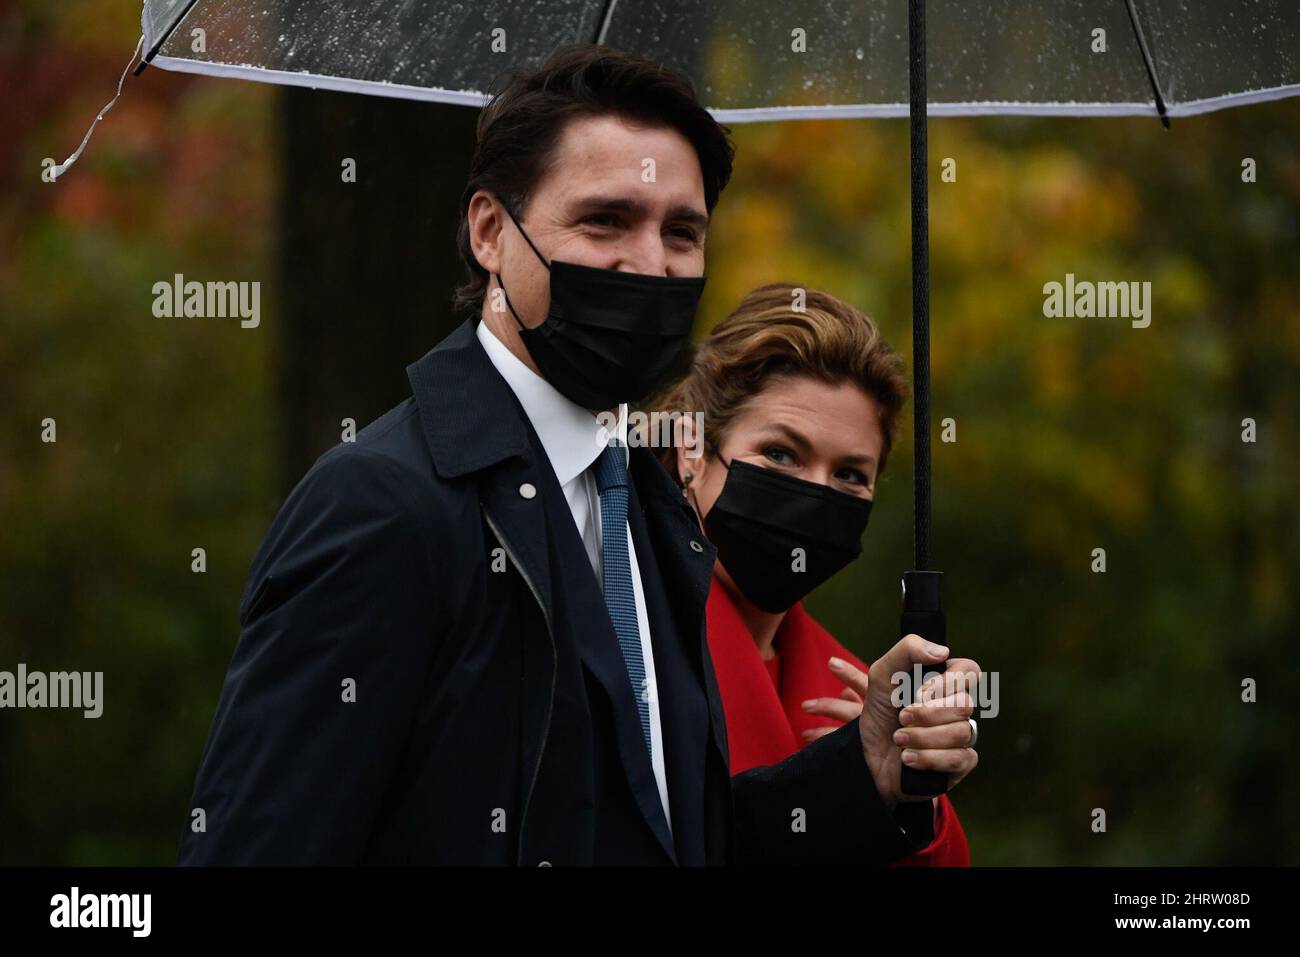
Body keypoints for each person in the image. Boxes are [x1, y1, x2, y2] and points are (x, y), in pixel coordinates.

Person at [176, 44, 980, 866]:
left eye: (682, 231)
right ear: (491, 231)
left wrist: (862, 770)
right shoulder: (386, 502)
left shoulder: (654, 507)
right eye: (605, 221)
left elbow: (665, 838)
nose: (649, 264)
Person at [650, 284, 973, 865]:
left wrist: (909, 802)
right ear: (692, 452)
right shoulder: (622, 629)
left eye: (850, 474)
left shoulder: (854, 696)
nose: (814, 493)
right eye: (780, 454)